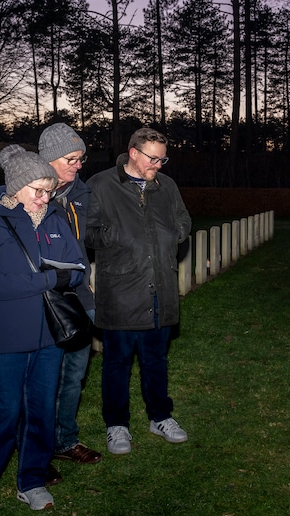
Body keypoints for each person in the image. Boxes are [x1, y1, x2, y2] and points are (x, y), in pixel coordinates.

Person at [0, 145, 85, 516]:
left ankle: (30, 481)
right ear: (15, 188)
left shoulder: (53, 220)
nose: (45, 199)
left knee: (41, 411)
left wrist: (64, 274)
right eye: (37, 191)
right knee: (3, 416)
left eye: (49, 191)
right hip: (4, 340)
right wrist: (48, 278)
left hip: (49, 336)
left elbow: (77, 268)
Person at [85, 127, 192, 455]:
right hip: (120, 290)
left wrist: (170, 235)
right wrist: (114, 235)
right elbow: (87, 232)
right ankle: (116, 426)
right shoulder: (101, 185)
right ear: (133, 152)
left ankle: (160, 416)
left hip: (160, 288)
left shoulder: (167, 186)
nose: (158, 165)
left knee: (156, 360)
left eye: (163, 158)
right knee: (117, 362)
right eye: (153, 158)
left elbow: (184, 222)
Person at [38, 123, 102, 484]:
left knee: (74, 374)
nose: (78, 165)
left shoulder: (83, 193)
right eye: (71, 159)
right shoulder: (28, 191)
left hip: (78, 296)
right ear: (49, 159)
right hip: (40, 297)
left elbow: (98, 233)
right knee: (42, 378)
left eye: (81, 159)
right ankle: (37, 450)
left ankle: (65, 440)